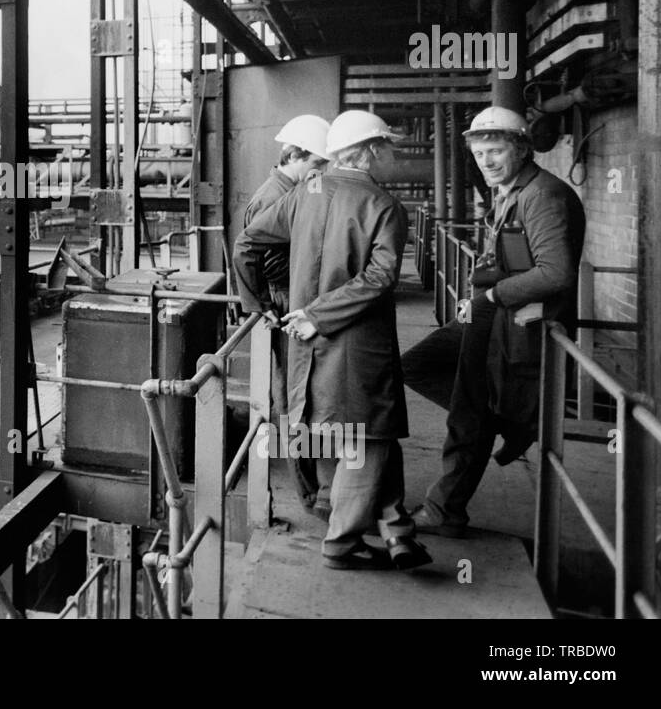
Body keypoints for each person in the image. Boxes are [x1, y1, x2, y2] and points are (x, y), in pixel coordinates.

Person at [234, 110, 431, 571]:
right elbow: (381, 277)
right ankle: (341, 543)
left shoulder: (307, 191)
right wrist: (320, 316)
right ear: (371, 151)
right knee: (368, 438)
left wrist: (257, 305)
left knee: (364, 435)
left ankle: (396, 529)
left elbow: (246, 244)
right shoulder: (383, 206)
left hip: (306, 341)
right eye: (388, 148)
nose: (393, 156)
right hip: (357, 344)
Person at [411, 106, 585, 538]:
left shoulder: (543, 195)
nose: (486, 162)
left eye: (496, 151)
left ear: (522, 149)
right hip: (493, 314)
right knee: (417, 366)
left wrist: (490, 295)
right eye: (480, 153)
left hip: (515, 323)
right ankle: (503, 423)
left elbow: (556, 272)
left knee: (468, 412)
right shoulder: (511, 190)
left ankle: (444, 510)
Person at [242, 114, 332, 512]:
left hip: (291, 298)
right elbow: (247, 253)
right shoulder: (273, 196)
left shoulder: (288, 189)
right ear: (293, 155)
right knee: (293, 398)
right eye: (316, 165)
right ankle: (308, 489)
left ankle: (315, 483)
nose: (319, 175)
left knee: (301, 393)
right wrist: (259, 305)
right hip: (282, 303)